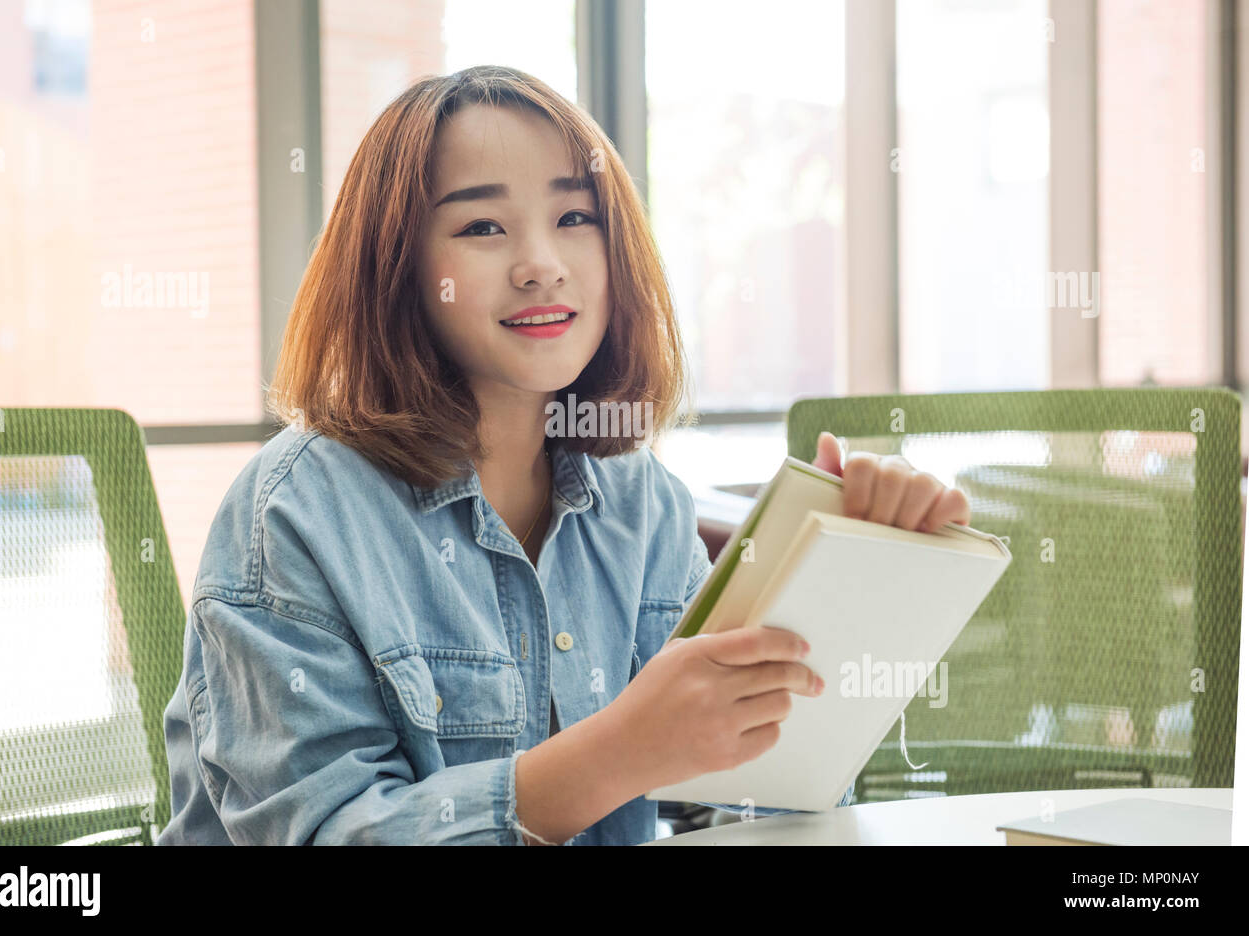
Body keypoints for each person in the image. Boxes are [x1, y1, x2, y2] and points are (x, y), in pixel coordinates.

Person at [157, 65, 971, 846]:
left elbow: (755, 794)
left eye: (575, 218)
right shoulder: (295, 511)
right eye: (482, 226)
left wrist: (845, 580)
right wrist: (620, 750)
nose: (541, 264)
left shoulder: (639, 501)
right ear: (397, 270)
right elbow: (323, 835)